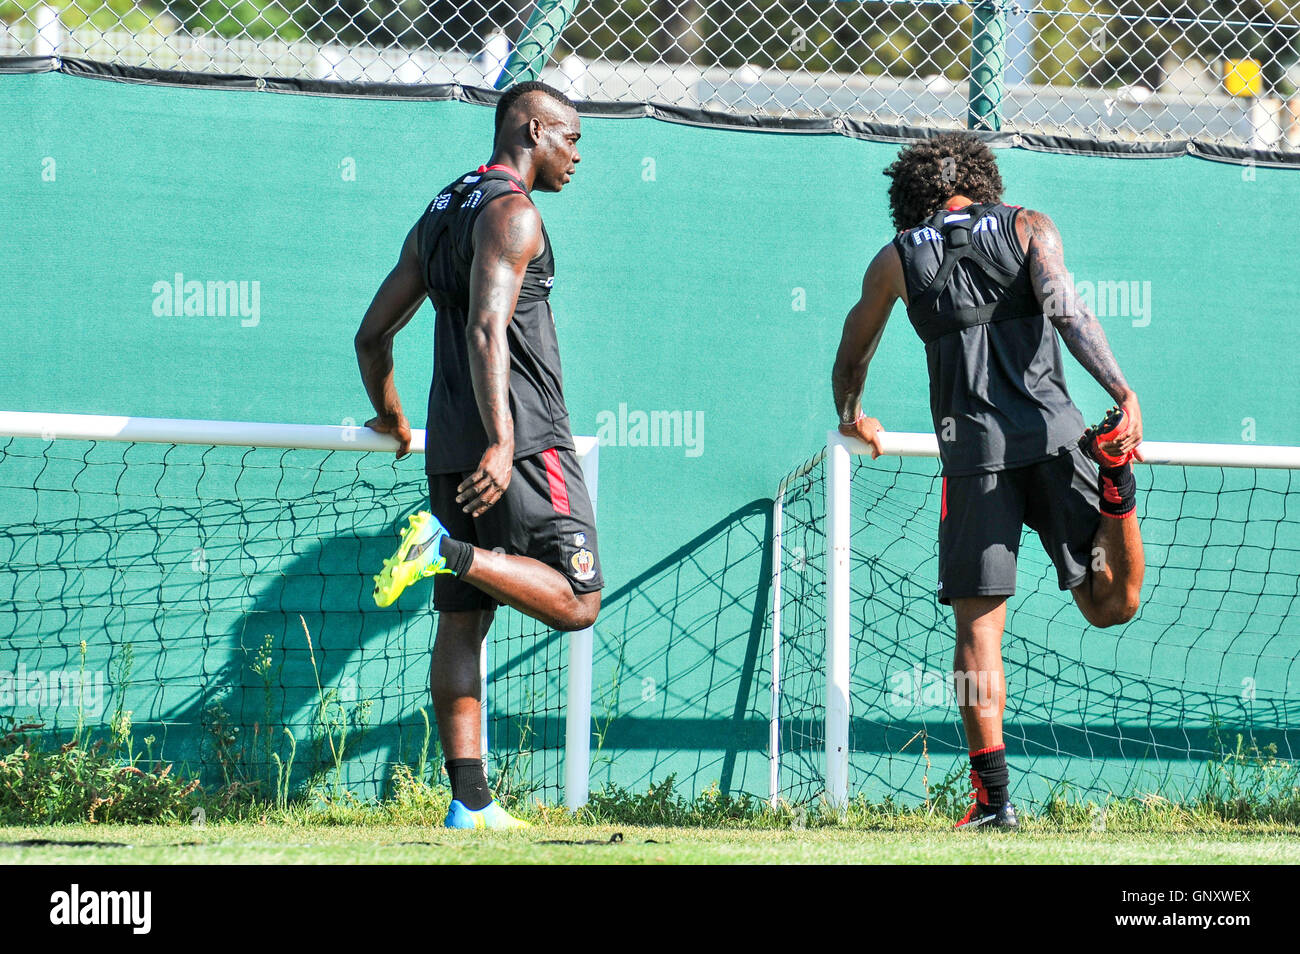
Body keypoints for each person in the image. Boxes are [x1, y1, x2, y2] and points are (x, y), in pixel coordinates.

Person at [831, 132, 1145, 828]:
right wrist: (1122, 391)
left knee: (979, 633)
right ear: (984, 180)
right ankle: (1116, 480)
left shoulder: (895, 260)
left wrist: (853, 416)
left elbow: (853, 354)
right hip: (1060, 442)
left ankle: (992, 803)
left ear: (908, 198)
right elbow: (1067, 310)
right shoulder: (1030, 225)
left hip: (975, 464)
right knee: (1110, 605)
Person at [354, 81, 602, 829]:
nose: (578, 155)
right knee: (578, 600)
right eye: (572, 137)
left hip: (450, 448)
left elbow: (371, 335)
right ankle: (445, 552)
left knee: (463, 625)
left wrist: (392, 416)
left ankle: (469, 806)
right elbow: (488, 330)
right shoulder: (513, 212)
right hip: (521, 446)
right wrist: (504, 438)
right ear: (533, 129)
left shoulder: (440, 212)